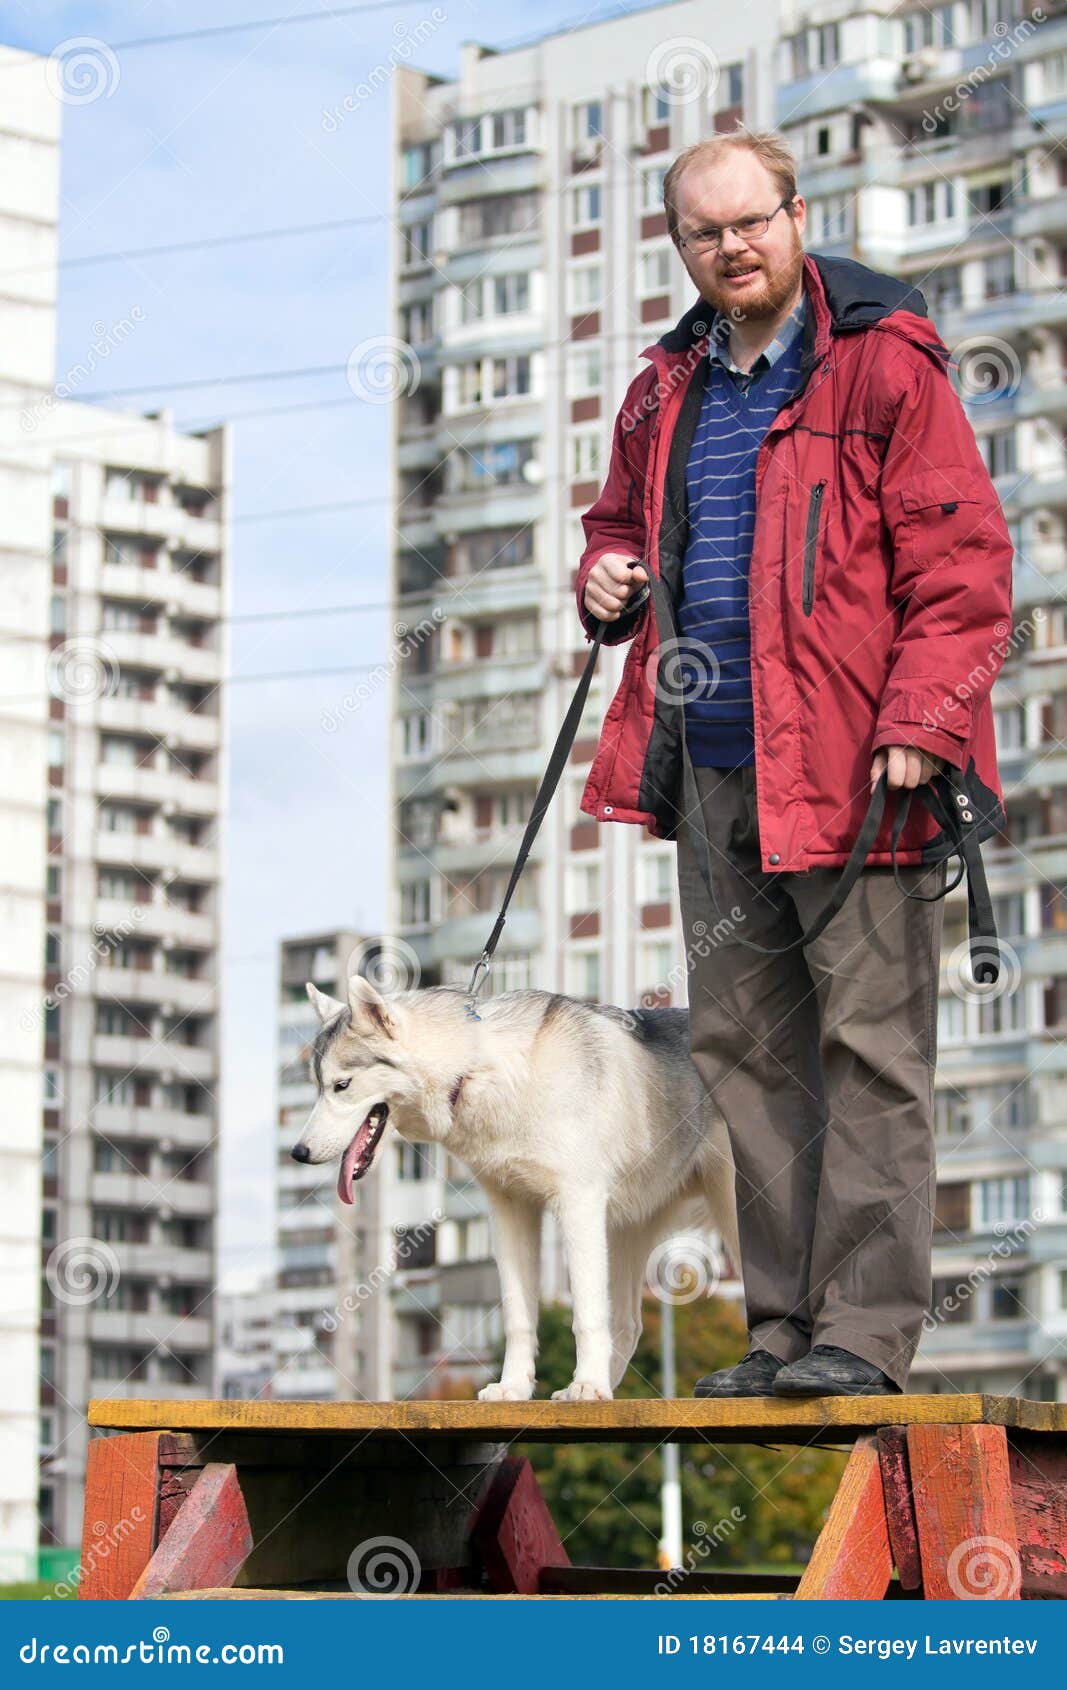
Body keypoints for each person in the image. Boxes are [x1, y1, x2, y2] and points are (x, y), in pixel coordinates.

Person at [575, 129, 1013, 1397]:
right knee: (745, 1054)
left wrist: (922, 722)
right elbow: (616, 528)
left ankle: (862, 1339)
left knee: (868, 1054)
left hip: (862, 768)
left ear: (794, 212)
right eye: (705, 232)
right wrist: (602, 579)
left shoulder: (882, 362)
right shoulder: (665, 388)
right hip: (713, 767)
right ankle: (778, 1333)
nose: (732, 246)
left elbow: (963, 566)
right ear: (682, 247)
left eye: (750, 220)